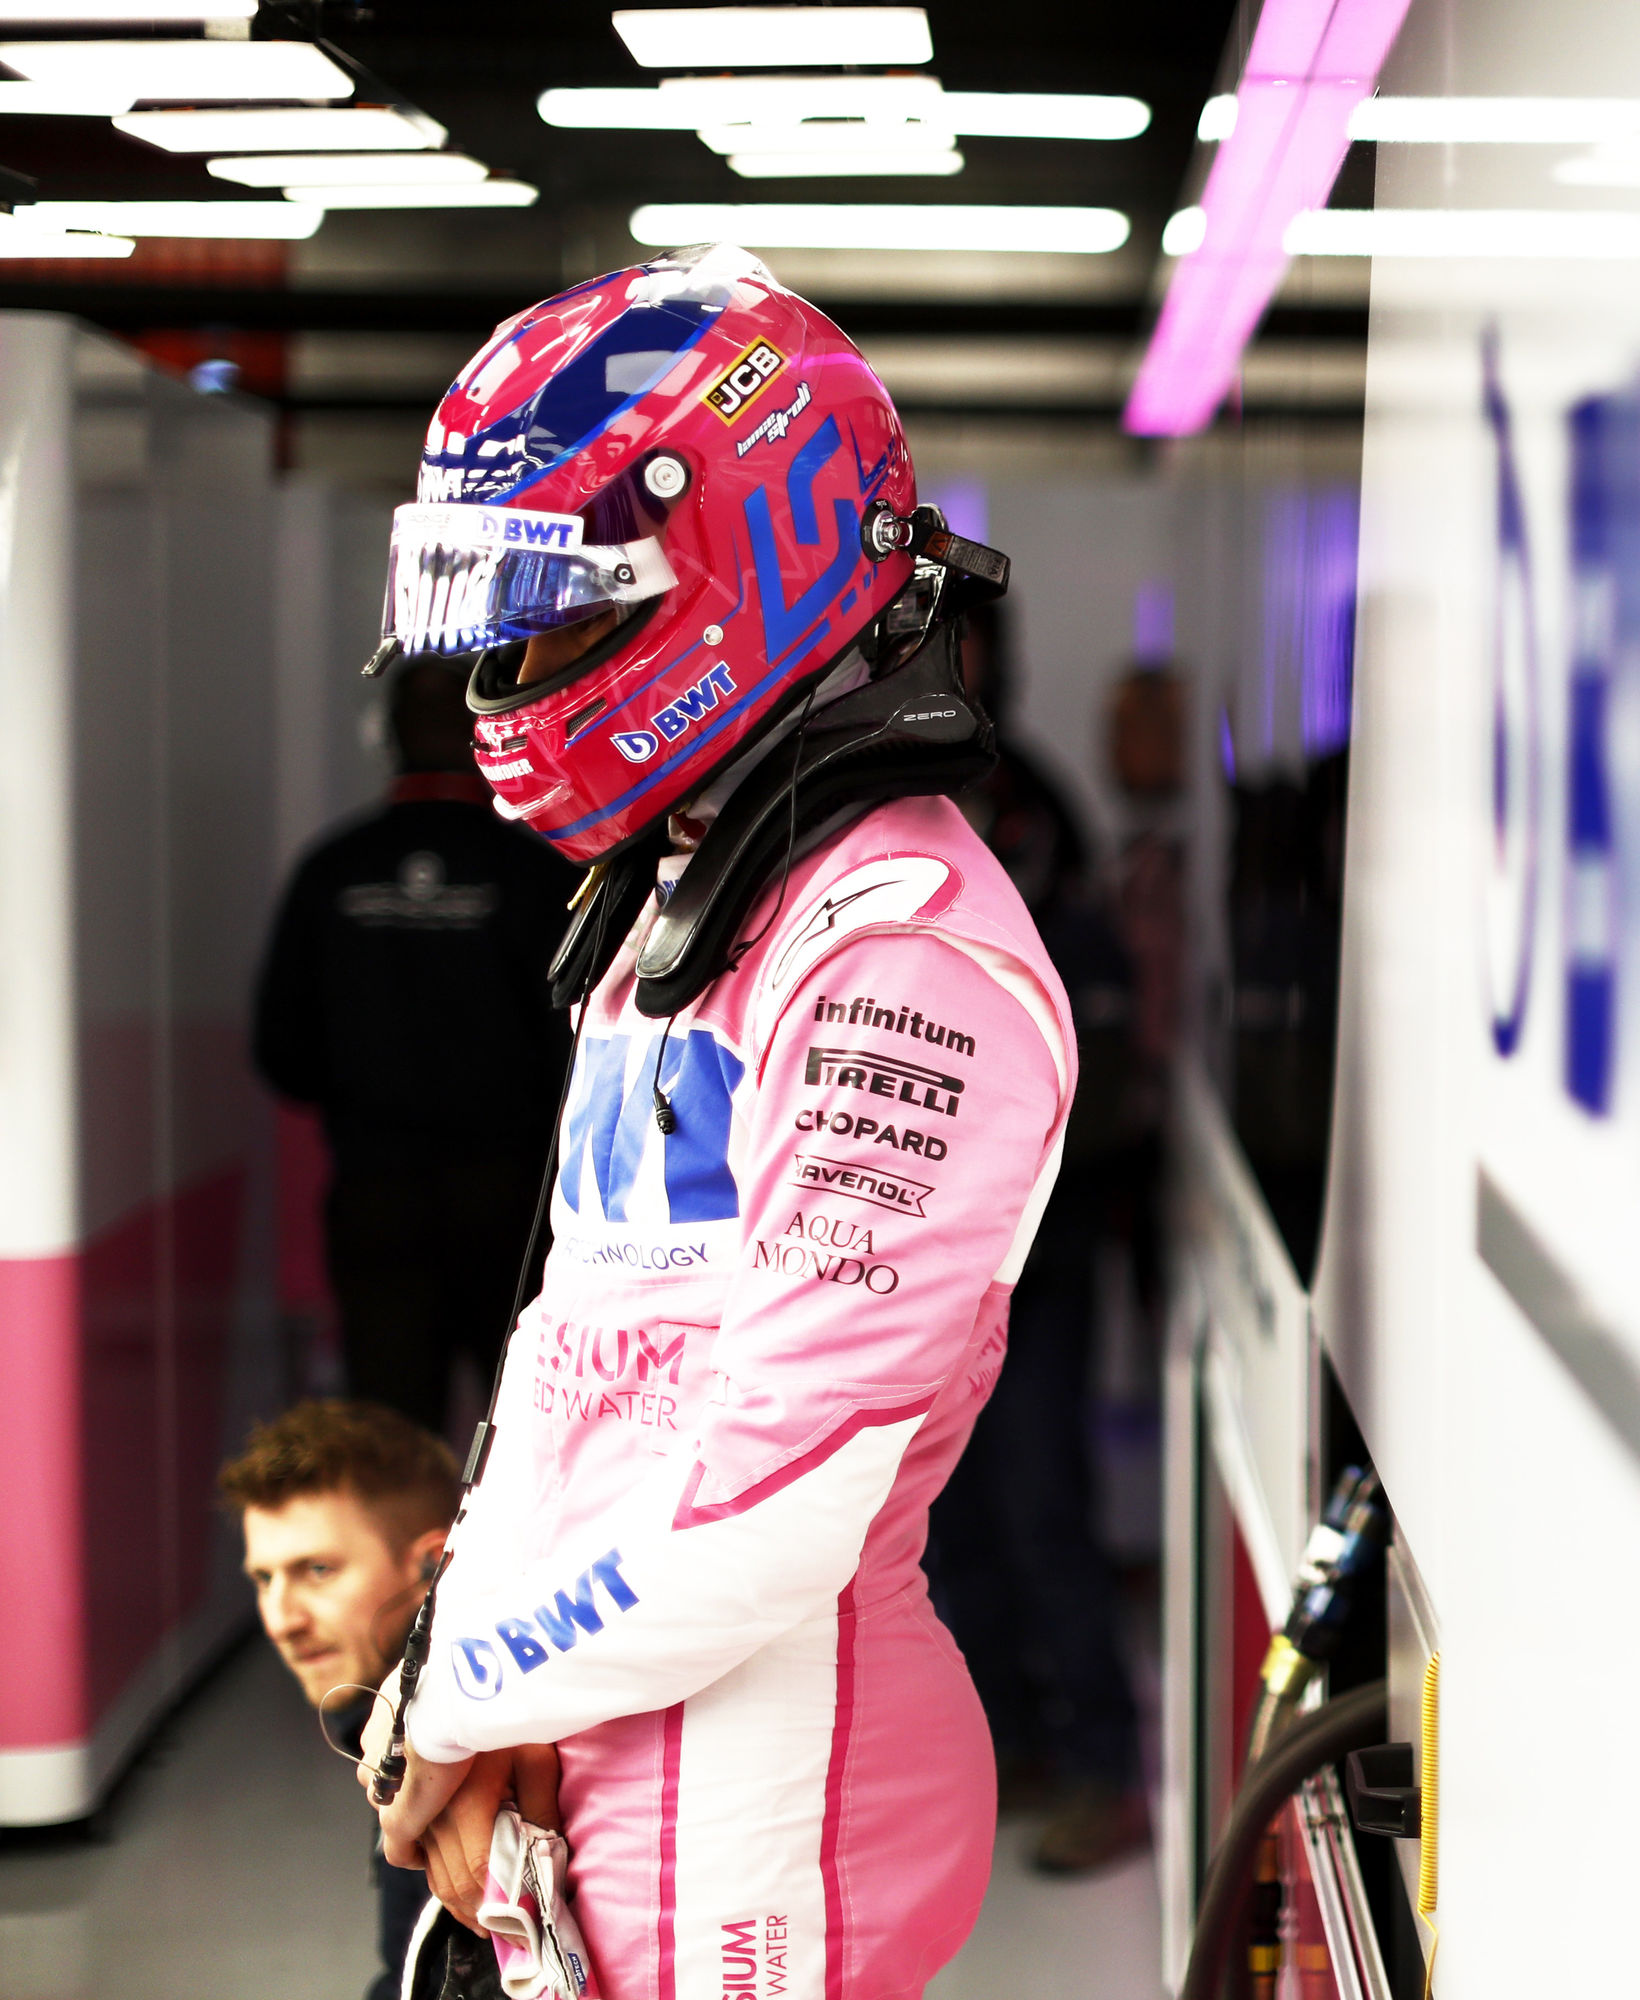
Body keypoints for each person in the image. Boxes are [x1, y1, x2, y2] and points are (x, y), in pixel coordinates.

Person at [356, 243, 1074, 2000]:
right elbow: (577, 1358)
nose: (515, 667)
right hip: (588, 1740)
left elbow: (781, 1499)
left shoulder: (901, 949)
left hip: (766, 1802)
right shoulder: (688, 897)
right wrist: (457, 1674)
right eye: (499, 619)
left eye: (560, 610)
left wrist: (450, 1698)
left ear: (742, 565)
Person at [927, 598, 1149, 1874]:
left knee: (1043, 1504)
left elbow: (1088, 1037)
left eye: (960, 646)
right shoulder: (880, 799)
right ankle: (1008, 1742)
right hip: (929, 1252)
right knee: (954, 1518)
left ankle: (1108, 1764)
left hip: (1032, 1244)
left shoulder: (1030, 810)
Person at [253, 660, 580, 1433]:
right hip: (515, 1206)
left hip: (378, 1197)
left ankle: (404, 1558)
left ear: (386, 733)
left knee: (392, 1436)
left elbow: (280, 1052)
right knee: (526, 1432)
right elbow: (582, 1054)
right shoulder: (542, 872)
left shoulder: (332, 869)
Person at [218, 1400, 463, 2000]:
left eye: (319, 1570)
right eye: (264, 1579)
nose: (281, 1621)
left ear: (433, 1565)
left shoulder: (458, 1749)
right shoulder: (388, 1724)